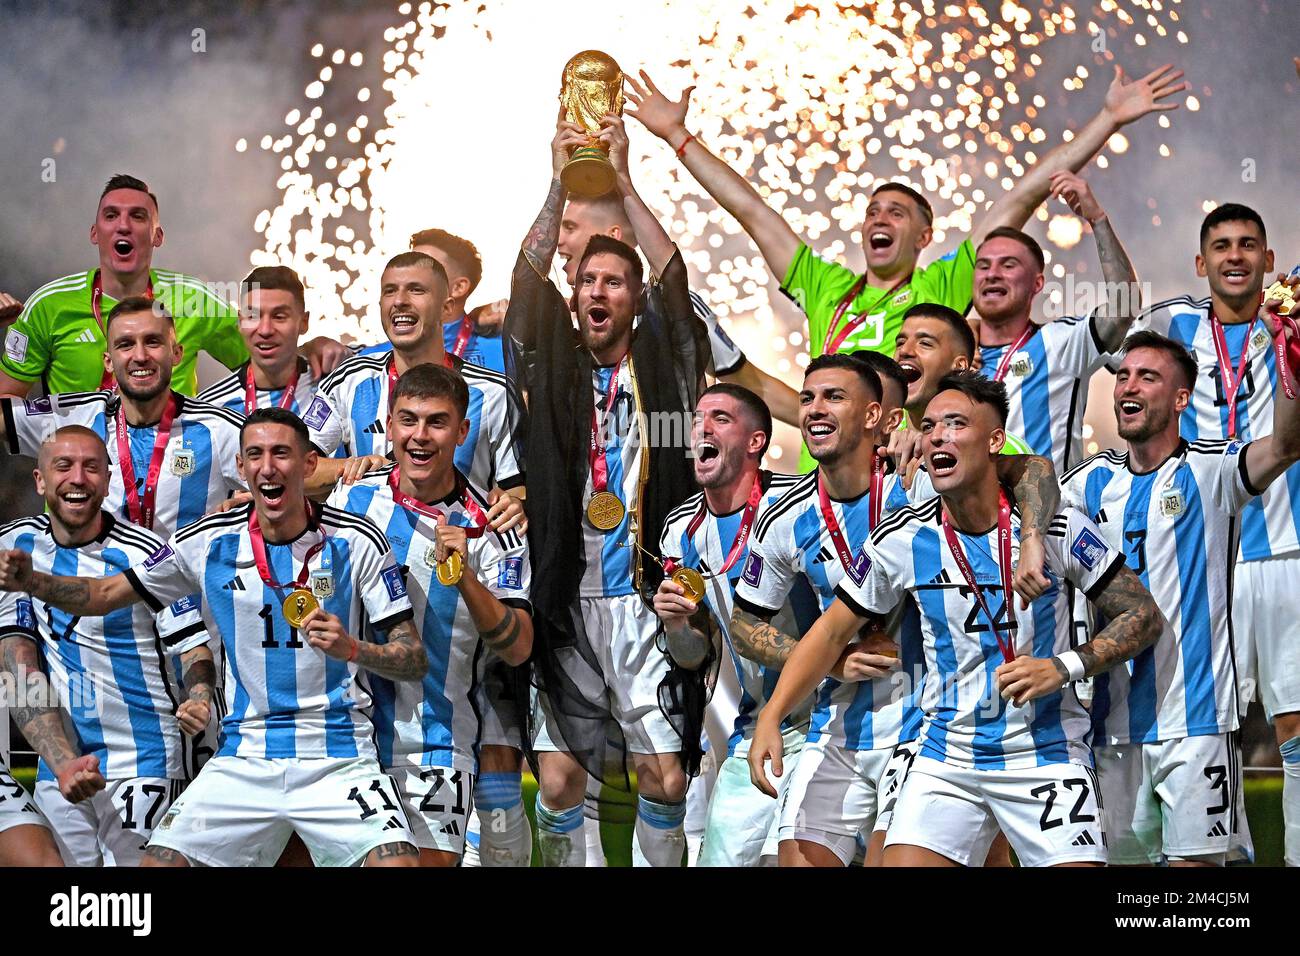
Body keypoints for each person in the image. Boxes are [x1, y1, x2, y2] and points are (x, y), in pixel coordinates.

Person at [627, 64, 1187, 470]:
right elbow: (752, 212)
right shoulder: (828, 288)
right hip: (824, 482)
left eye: (896, 212)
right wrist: (678, 137)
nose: (879, 218)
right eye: (872, 211)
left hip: (905, 478)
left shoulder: (939, 287)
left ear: (924, 236)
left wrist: (1107, 120)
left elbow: (1024, 195)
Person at [750, 371, 1164, 867]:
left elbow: (1141, 614)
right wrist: (772, 715)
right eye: (929, 427)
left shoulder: (1052, 526)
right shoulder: (903, 537)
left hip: (1045, 754)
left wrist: (1063, 667)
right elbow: (831, 630)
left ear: (994, 441)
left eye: (956, 424)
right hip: (947, 757)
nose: (938, 436)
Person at [0, 408, 428, 866]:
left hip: (338, 756)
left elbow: (413, 658)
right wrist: (34, 583)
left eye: (281, 453)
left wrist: (354, 649)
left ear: (306, 465)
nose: (268, 467)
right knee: (157, 865)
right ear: (240, 469)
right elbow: (104, 594)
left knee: (397, 863)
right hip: (243, 756)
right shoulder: (206, 541)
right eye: (255, 455)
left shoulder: (358, 539)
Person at [731, 356, 1055, 866]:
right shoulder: (784, 517)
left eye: (834, 397)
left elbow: (1031, 467)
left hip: (925, 723)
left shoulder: (924, 481)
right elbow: (745, 623)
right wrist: (829, 663)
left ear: (875, 416)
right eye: (808, 398)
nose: (815, 408)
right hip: (839, 721)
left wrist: (1032, 536)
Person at [505, 111, 709, 868]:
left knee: (664, 775)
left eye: (613, 281)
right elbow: (526, 284)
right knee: (557, 779)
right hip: (562, 592)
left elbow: (675, 277)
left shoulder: (662, 366)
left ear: (632, 297)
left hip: (645, 594)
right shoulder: (552, 366)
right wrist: (559, 183)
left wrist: (623, 180)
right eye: (586, 280)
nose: (597, 290)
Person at [1063, 323, 1300, 865]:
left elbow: (1287, 445)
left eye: (1148, 377)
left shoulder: (1213, 468)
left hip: (1195, 722)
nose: (1129, 387)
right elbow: (1023, 485)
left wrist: (1290, 364)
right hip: (1109, 723)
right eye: (1123, 376)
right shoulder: (1087, 484)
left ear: (1181, 398)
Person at [1130, 204, 1300, 865]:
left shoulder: (1289, 323)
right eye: (1222, 246)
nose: (1235, 256)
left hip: (1287, 549)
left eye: (1249, 245)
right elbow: (1110, 331)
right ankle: (1224, 866)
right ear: (1201, 265)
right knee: (1207, 727)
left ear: (1267, 260)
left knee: (1293, 726)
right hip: (1202, 560)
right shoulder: (1171, 326)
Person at [329, 364, 534, 866]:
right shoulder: (347, 499)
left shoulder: (495, 525)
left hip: (434, 740)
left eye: (437, 422)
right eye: (408, 420)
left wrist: (464, 575)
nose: (420, 436)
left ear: (463, 432)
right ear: (390, 424)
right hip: (341, 734)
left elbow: (518, 646)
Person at [0, 425, 203, 864]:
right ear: (40, 480)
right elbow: (17, 668)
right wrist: (60, 763)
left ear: (108, 480)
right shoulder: (14, 546)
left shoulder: (148, 554)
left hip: (144, 759)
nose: (78, 478)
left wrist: (201, 694)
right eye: (64, 466)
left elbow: (193, 644)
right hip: (61, 762)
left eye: (92, 467)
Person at [0, 174, 349, 398]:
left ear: (157, 236)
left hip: (177, 493)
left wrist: (311, 346)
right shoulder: (48, 306)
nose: (124, 226)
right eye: (111, 216)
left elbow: (268, 360)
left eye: (138, 217)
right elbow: (6, 404)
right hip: (81, 495)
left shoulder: (192, 299)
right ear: (95, 233)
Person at [654, 383, 809, 866]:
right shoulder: (679, 531)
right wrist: (677, 626)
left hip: (831, 721)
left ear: (756, 442)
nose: (702, 427)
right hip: (759, 729)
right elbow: (693, 655)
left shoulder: (799, 502)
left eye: (720, 418)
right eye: (697, 418)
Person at [0, 298, 246, 541]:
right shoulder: (76, 419)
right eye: (126, 345)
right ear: (108, 361)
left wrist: (256, 501)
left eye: (152, 342)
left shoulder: (219, 430)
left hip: (183, 580)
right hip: (94, 579)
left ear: (176, 353)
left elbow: (280, 482)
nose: (140, 356)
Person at [304, 252, 526, 521]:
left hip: (458, 553)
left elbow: (518, 489)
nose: (399, 301)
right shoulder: (348, 381)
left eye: (416, 290)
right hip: (365, 558)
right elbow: (295, 470)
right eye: (390, 291)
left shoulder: (494, 393)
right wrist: (357, 468)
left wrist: (517, 504)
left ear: (447, 308)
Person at [972, 177, 1139, 471]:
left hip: (1044, 515)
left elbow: (1123, 307)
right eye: (983, 265)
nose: (992, 274)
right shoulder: (952, 352)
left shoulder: (1060, 342)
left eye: (1008, 265)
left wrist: (1097, 220)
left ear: (1037, 284)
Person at [198, 266, 323, 415]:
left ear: (303, 322)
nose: (265, 330)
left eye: (279, 317)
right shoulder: (211, 411)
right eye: (253, 316)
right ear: (240, 322)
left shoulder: (335, 387)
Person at [409, 228, 508, 374]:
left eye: (422, 267)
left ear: (458, 287)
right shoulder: (369, 358)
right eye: (406, 265)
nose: (406, 275)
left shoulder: (506, 354)